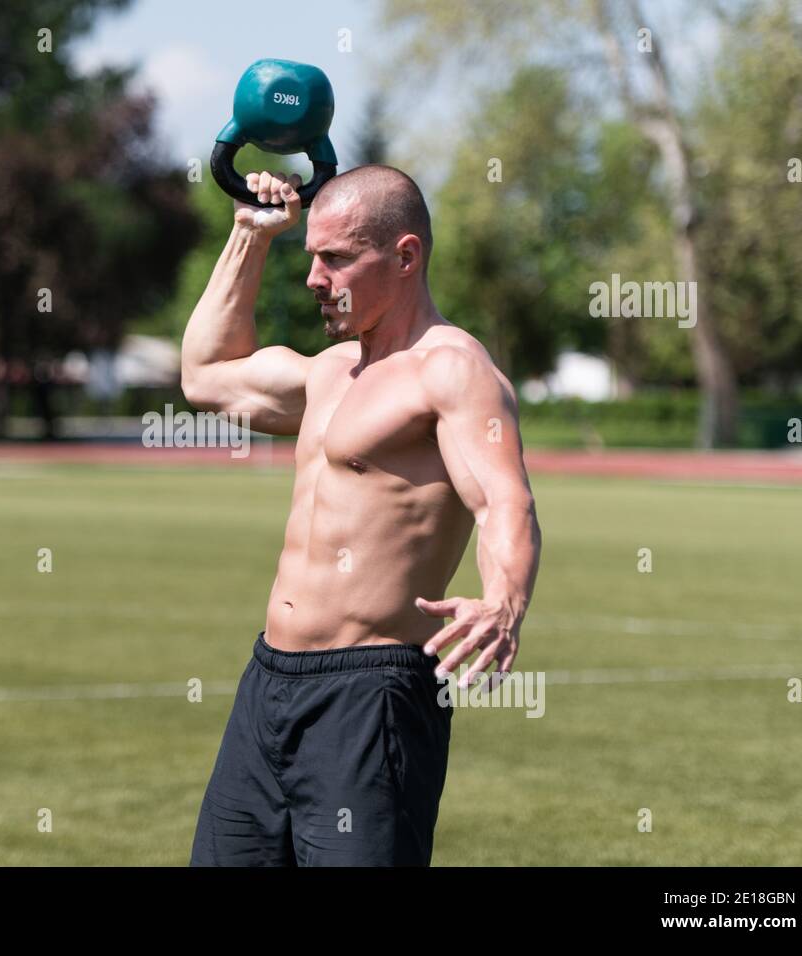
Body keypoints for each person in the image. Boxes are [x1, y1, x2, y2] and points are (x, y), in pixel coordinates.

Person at [182, 165, 541, 866]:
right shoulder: (327, 373)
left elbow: (503, 499)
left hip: (371, 694)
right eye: (312, 255)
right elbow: (203, 375)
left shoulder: (451, 372)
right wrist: (251, 235)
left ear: (405, 256)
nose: (316, 277)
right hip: (269, 684)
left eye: (337, 258)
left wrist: (505, 602)